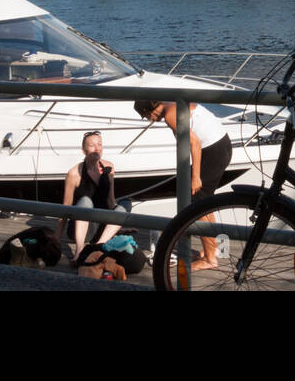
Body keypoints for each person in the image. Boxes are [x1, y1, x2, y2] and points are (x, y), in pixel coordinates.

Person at [134, 98, 231, 270]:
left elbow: (195, 143)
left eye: (145, 116)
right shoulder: (174, 103)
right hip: (221, 145)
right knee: (205, 201)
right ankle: (215, 249)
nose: (148, 120)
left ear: (149, 110)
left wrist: (196, 176)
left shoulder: (171, 115)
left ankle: (210, 259)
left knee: (197, 203)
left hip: (212, 150)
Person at [57, 131, 125, 263]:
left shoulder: (109, 167)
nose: (97, 148)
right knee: (86, 201)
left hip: (100, 227)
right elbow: (65, 208)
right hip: (79, 229)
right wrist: (56, 237)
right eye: (92, 145)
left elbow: (111, 200)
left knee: (124, 206)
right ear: (83, 150)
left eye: (99, 144)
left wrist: (119, 221)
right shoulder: (74, 173)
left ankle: (98, 248)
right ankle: (80, 251)